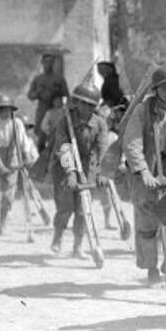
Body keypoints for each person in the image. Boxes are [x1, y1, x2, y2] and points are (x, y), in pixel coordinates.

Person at [122, 63, 166, 284]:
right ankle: (151, 268)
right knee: (147, 222)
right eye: (165, 88)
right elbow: (132, 143)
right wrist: (143, 172)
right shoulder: (142, 111)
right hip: (145, 170)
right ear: (156, 89)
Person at [44, 82, 108, 257]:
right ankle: (58, 236)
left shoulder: (100, 124)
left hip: (88, 168)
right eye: (83, 103)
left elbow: (100, 150)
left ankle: (77, 246)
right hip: (64, 167)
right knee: (66, 207)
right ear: (76, 102)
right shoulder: (66, 121)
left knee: (83, 210)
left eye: (91, 105)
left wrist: (98, 174)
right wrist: (71, 173)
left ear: (95, 106)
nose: (86, 108)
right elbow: (63, 147)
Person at [0, 92, 37, 235]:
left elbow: (24, 144)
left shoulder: (17, 123)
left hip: (12, 159)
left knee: (8, 196)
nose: (3, 112)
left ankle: (3, 221)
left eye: (6, 109)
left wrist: (27, 159)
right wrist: (0, 167)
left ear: (11, 109)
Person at [26, 51, 68, 150]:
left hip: (56, 111)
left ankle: (55, 161)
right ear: (42, 63)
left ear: (53, 63)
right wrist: (38, 92)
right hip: (42, 110)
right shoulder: (38, 79)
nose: (48, 64)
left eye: (50, 62)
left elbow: (67, 96)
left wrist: (65, 109)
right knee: (41, 139)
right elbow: (30, 96)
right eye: (46, 62)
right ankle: (41, 161)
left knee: (57, 139)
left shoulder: (59, 79)